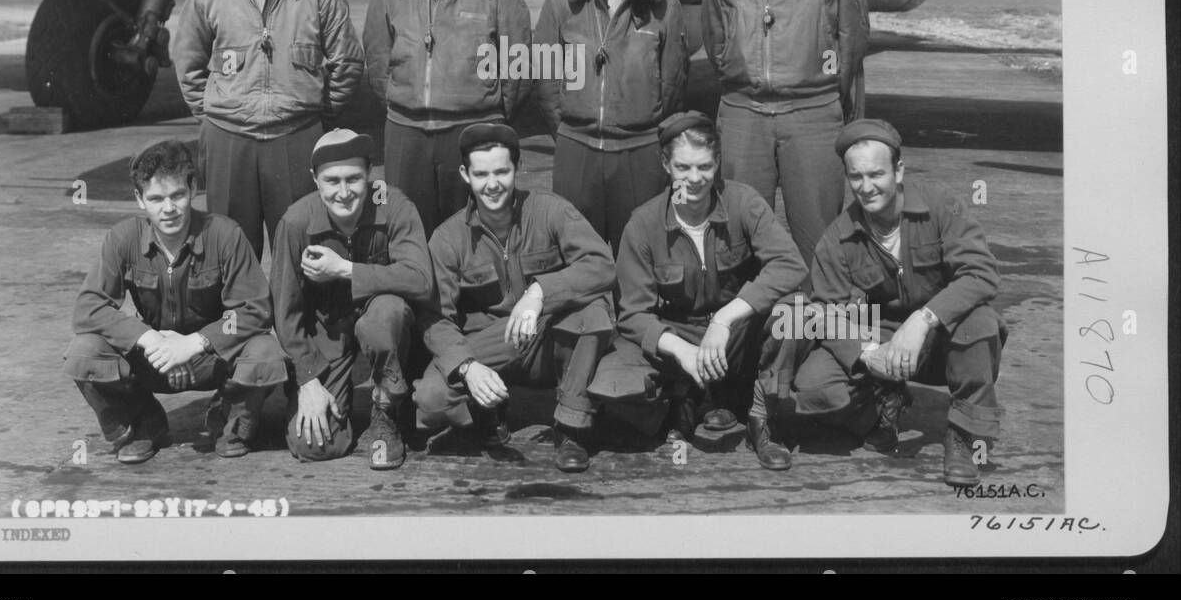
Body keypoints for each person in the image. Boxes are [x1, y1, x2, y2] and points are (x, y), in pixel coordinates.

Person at [788, 119, 1006, 486]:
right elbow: (825, 312)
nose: (867, 187)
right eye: (856, 177)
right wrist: (868, 352)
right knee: (813, 387)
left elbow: (981, 274)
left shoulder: (940, 206)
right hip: (884, 341)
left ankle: (965, 434)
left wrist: (923, 320)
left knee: (980, 322)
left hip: (941, 340)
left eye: (876, 174)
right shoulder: (837, 238)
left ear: (899, 170)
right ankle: (881, 405)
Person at [589, 112, 808, 468]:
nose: (694, 179)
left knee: (795, 311)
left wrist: (725, 318)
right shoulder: (644, 223)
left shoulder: (743, 202)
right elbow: (632, 313)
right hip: (679, 335)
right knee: (611, 383)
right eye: (683, 167)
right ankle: (680, 398)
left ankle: (759, 417)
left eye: (705, 167)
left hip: (736, 336)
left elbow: (791, 265)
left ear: (718, 161)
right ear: (665, 163)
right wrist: (682, 352)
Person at [173, 0, 365, 260]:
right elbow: (188, 67)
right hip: (229, 140)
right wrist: (217, 113)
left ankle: (297, 323)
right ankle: (240, 323)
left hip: (296, 138)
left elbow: (348, 64)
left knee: (302, 252)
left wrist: (312, 113)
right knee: (229, 254)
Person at [63, 140, 286, 464]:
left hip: (212, 358)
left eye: (177, 195)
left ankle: (228, 420)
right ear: (140, 199)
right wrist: (147, 337)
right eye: (156, 198)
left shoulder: (224, 234)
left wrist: (198, 342)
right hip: (155, 358)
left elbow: (255, 309)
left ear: (193, 188)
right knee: (84, 352)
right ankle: (143, 423)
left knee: (264, 352)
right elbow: (88, 308)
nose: (168, 208)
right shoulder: (122, 238)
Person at [701, 0, 869, 266]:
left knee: (819, 244)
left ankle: (815, 329)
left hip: (812, 113)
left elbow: (852, 35)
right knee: (738, 242)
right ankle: (750, 328)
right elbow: (715, 34)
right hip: (744, 115)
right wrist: (741, 73)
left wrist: (841, 103)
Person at [414, 124, 615, 472]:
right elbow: (434, 318)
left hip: (543, 337)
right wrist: (467, 367)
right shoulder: (447, 237)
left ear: (518, 169)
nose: (492, 184)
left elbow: (601, 265)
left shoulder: (550, 210)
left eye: (502, 171)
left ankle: (571, 425)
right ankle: (486, 411)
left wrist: (540, 292)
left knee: (593, 310)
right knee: (431, 400)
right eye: (481, 174)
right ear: (465, 174)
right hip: (492, 345)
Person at [362, 0, 532, 235]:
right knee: (410, 238)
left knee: (475, 239)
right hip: (406, 137)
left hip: (472, 134)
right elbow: (378, 65)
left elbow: (518, 73)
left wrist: (486, 114)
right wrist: (406, 104)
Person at [534, 0, 688, 254]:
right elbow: (545, 81)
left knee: (638, 258)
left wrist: (640, 128)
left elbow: (673, 86)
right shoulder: (559, 7)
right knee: (575, 257)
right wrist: (572, 134)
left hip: (640, 154)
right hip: (577, 153)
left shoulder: (665, 6)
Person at [270, 130, 433, 469]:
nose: (343, 193)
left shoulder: (394, 204)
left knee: (385, 312)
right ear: (315, 179)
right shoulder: (296, 222)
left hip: (384, 326)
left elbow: (421, 280)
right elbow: (285, 313)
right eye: (332, 181)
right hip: (328, 331)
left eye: (354, 179)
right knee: (315, 445)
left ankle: (387, 410)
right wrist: (307, 380)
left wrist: (345, 269)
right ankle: (312, 397)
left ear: (371, 175)